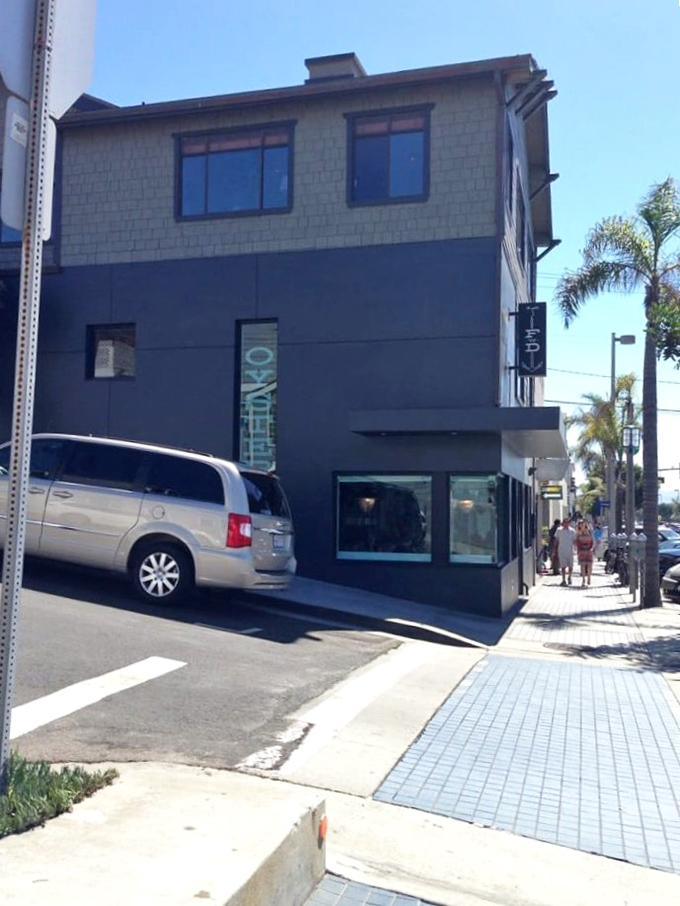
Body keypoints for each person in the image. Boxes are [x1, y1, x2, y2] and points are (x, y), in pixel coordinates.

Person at [554, 517, 575, 586]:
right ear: (563, 523)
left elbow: (574, 541)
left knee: (570, 566)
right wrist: (555, 550)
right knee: (563, 566)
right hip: (562, 550)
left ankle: (569, 577)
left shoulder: (572, 531)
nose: (566, 524)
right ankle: (563, 580)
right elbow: (556, 540)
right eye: (565, 522)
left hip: (570, 550)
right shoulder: (559, 530)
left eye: (567, 522)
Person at [575, 519, 595, 587]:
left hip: (589, 550)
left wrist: (592, 548)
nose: (581, 525)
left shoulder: (590, 532)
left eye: (582, 524)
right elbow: (576, 542)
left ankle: (589, 578)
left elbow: (593, 540)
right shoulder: (578, 533)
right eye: (580, 524)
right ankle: (583, 579)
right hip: (582, 550)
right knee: (582, 565)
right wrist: (579, 549)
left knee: (589, 565)